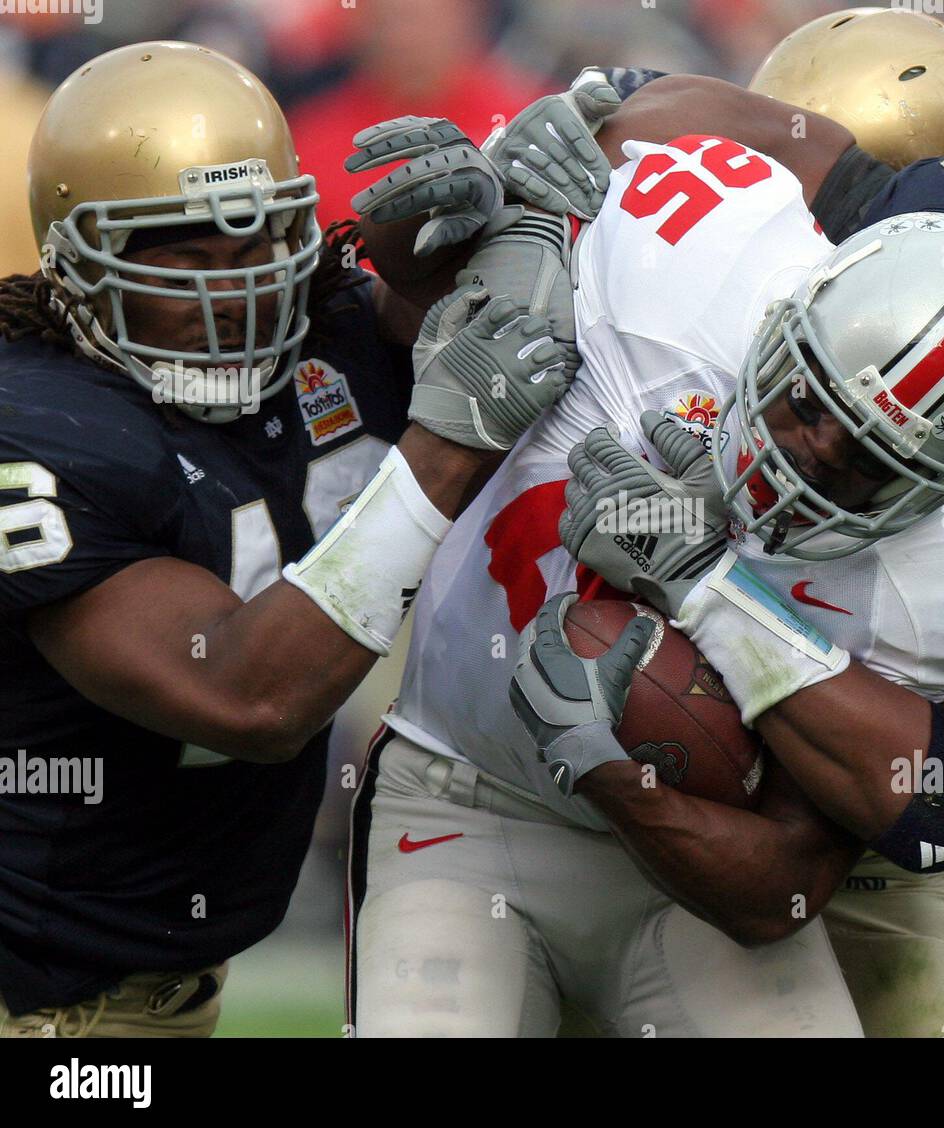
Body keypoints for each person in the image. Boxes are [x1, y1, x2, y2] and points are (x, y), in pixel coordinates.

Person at [349, 136, 944, 1036]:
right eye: (806, 405)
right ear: (786, 316)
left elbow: (784, 891)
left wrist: (611, 767)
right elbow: (400, 283)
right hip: (466, 797)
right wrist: (459, 206)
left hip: (698, 862)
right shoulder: (688, 260)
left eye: (866, 464)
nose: (807, 458)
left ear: (942, 486)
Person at [0, 41, 567, 1038]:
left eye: (257, 244)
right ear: (79, 269)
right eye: (186, 257)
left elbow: (435, 295)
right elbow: (246, 696)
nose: (237, 294)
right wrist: (444, 450)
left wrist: (460, 218)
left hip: (167, 980)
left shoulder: (320, 337)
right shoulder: (36, 426)